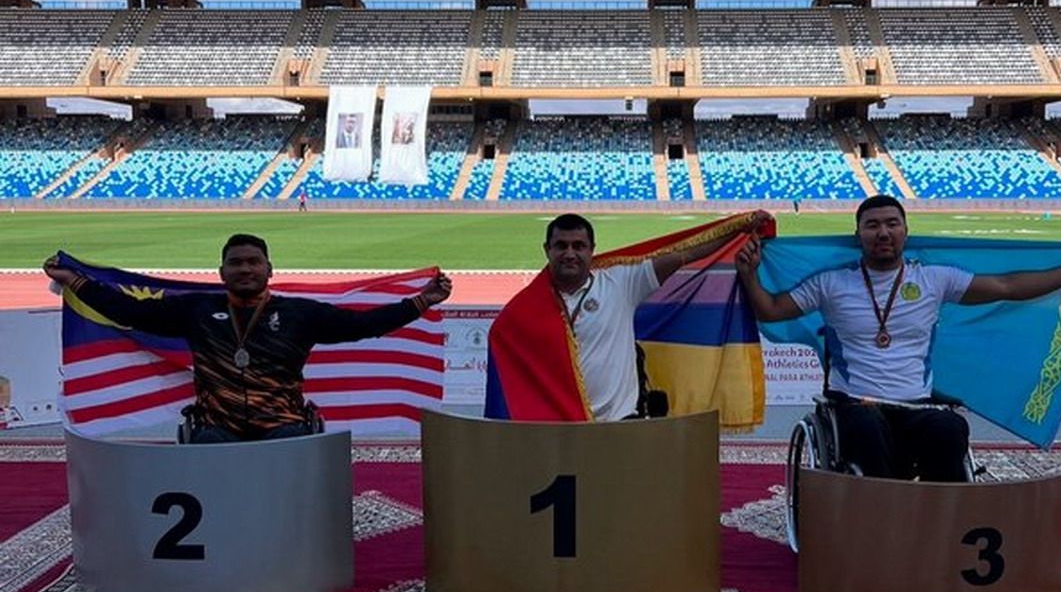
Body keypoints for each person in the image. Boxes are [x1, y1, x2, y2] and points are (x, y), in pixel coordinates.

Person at [736, 195, 1061, 482]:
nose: (883, 233)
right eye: (872, 226)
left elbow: (1007, 286)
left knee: (951, 430)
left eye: (892, 224)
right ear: (858, 235)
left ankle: (941, 525)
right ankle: (884, 521)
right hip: (854, 403)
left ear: (905, 231)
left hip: (915, 404)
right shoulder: (830, 284)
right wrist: (750, 275)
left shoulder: (934, 280)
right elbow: (771, 310)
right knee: (866, 430)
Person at [44, 234, 452, 443]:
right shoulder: (196, 310)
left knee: (290, 463)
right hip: (215, 426)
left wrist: (422, 301)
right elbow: (128, 311)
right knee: (209, 461)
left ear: (269, 269)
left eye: (254, 262)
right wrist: (74, 281)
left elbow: (363, 324)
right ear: (221, 271)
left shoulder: (299, 313)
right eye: (235, 262)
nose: (245, 269)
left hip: (283, 425)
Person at [541, 212, 766, 421]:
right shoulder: (529, 305)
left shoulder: (620, 283)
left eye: (579, 246)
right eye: (561, 246)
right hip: (557, 424)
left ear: (592, 250)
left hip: (618, 423)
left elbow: (685, 253)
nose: (569, 254)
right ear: (547, 250)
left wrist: (739, 225)